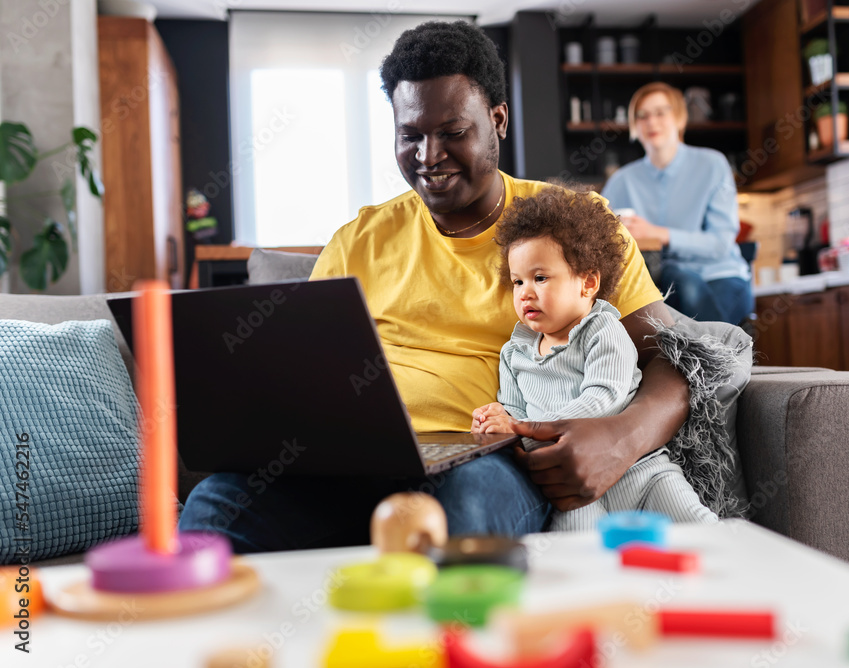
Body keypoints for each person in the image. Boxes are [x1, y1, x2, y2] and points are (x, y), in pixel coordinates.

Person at [178, 21, 692, 553]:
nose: (428, 155)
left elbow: (676, 356)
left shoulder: (573, 224)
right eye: (411, 135)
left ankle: (438, 636)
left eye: (452, 132)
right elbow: (299, 379)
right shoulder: (357, 240)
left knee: (464, 510)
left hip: (488, 460)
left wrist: (623, 438)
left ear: (497, 119)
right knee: (216, 505)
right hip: (347, 465)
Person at [471, 188, 717, 529]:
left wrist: (526, 429)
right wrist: (497, 423)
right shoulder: (514, 353)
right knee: (578, 554)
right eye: (517, 281)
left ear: (587, 283)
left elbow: (604, 398)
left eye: (540, 278)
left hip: (642, 473)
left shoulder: (603, 329)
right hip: (568, 487)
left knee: (700, 528)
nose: (525, 292)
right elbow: (514, 413)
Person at [601, 82, 753, 326]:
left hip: (719, 277)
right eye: (642, 115)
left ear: (680, 118)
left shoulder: (712, 165)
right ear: (634, 125)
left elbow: (720, 244)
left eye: (661, 112)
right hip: (656, 283)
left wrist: (657, 234)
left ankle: (712, 355)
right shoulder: (621, 181)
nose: (651, 122)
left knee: (682, 285)